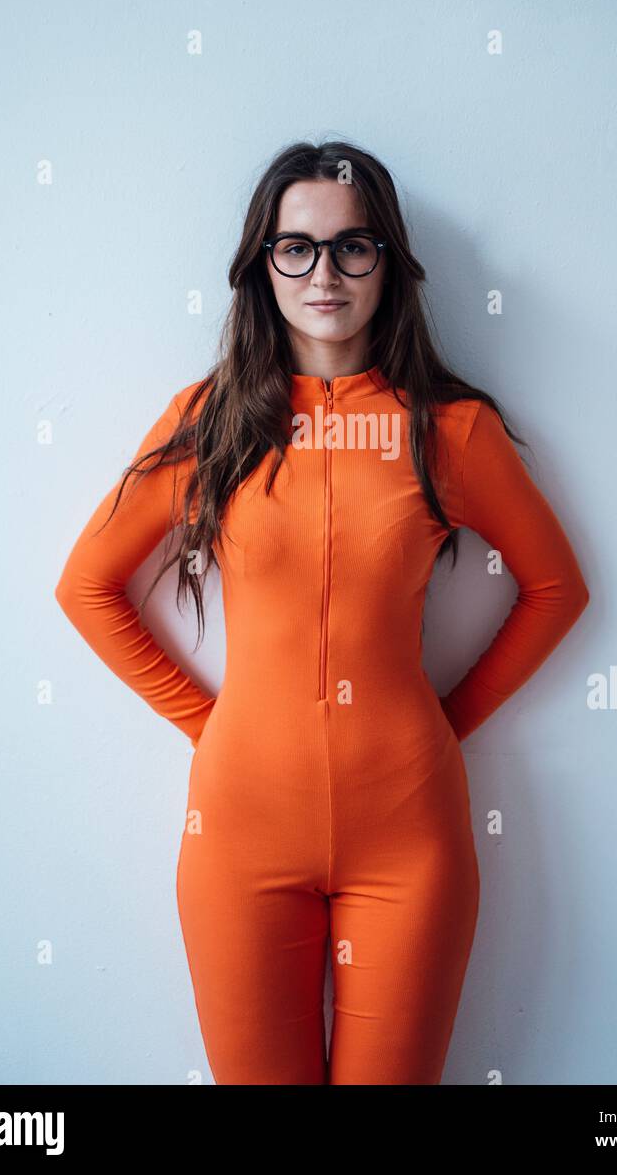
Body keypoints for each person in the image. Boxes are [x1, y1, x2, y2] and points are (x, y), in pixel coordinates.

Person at [54, 139, 589, 1085]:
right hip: (238, 837)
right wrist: (210, 725)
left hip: (411, 840)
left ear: (388, 263)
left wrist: (440, 727)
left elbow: (556, 590)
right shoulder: (208, 420)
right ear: (263, 266)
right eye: (294, 247)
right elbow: (86, 587)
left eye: (354, 247)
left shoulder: (449, 430)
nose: (324, 273)